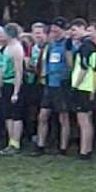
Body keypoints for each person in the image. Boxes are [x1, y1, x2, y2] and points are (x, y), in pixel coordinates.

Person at [34, 19, 71, 156]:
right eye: (52, 31)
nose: (54, 34)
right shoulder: (50, 45)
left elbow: (70, 63)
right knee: (43, 115)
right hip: (49, 83)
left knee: (63, 117)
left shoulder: (67, 44)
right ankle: (40, 145)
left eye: (57, 31)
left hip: (61, 84)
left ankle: (63, 148)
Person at [68, 19, 96, 159]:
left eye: (74, 30)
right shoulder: (92, 45)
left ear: (82, 28)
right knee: (86, 119)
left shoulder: (85, 46)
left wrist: (75, 85)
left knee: (83, 120)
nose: (72, 33)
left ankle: (84, 150)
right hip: (88, 86)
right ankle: (87, 149)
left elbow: (84, 68)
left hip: (83, 87)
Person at [0, 23, 26, 156]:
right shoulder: (5, 48)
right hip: (5, 84)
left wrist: (16, 91)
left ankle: (16, 142)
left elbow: (19, 71)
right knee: (7, 114)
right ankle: (10, 141)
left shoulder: (17, 49)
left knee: (16, 116)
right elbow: (1, 69)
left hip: (13, 83)